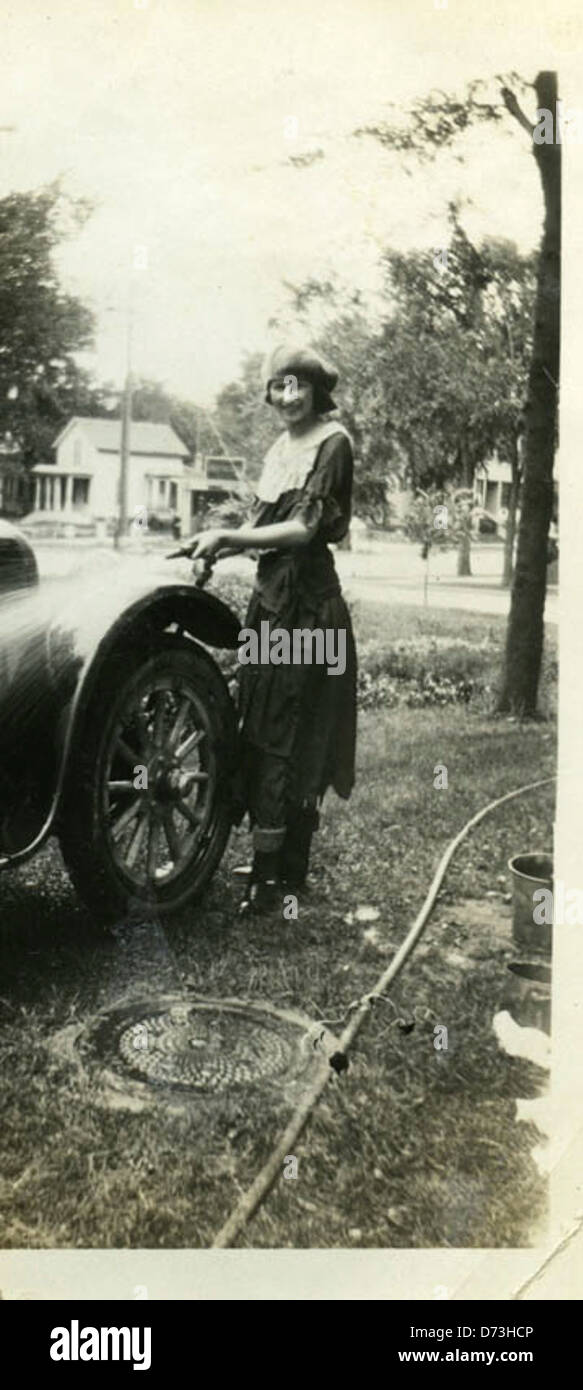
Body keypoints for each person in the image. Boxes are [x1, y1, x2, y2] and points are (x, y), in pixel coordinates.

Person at [186, 344, 357, 914]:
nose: (287, 397)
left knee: (294, 727)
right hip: (271, 604)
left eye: (297, 386)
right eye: (278, 387)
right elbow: (260, 525)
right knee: (260, 719)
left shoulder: (334, 444)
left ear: (317, 389)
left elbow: (302, 530)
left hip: (309, 609)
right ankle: (273, 860)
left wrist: (230, 540)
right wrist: (213, 544)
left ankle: (277, 876)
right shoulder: (280, 449)